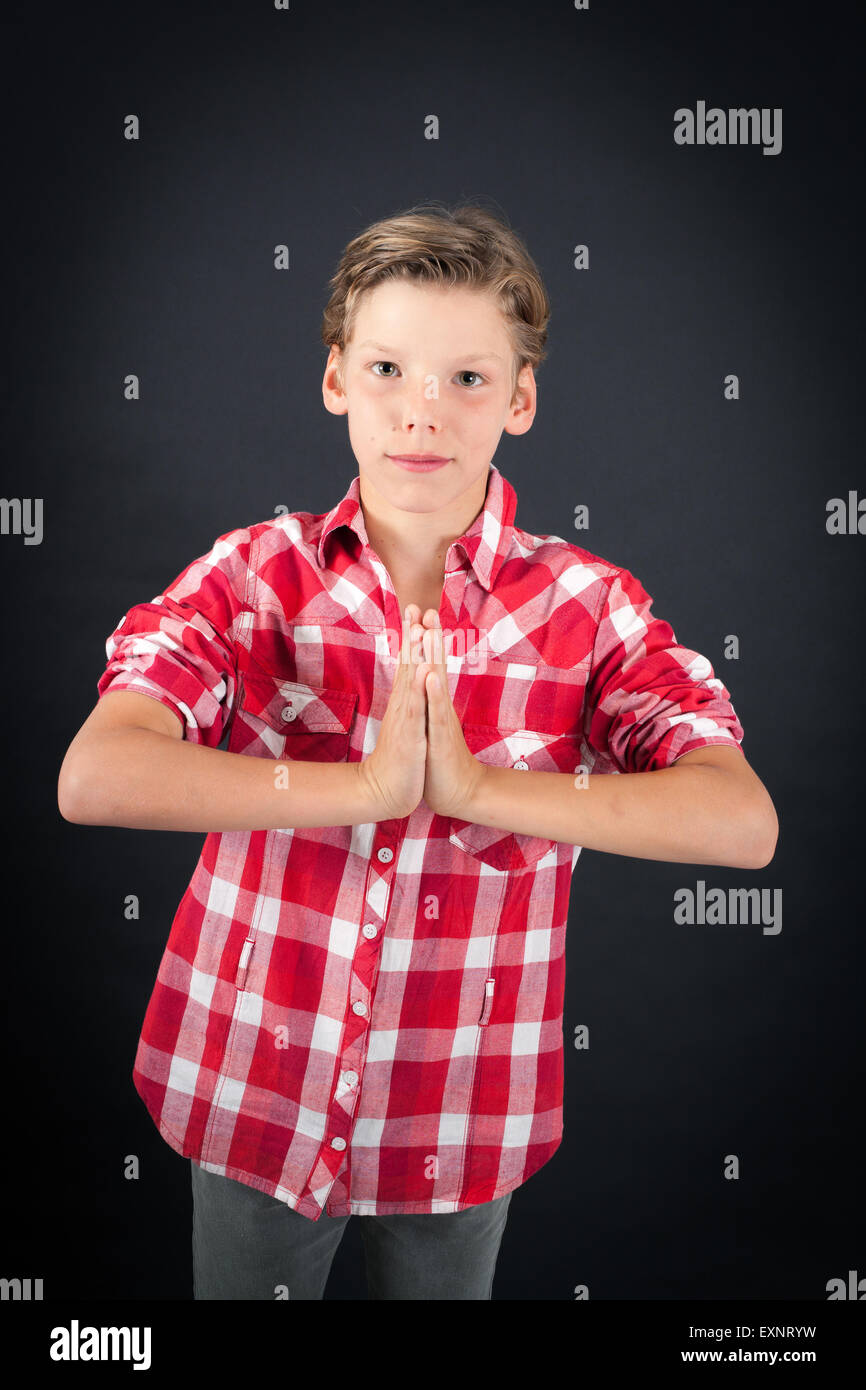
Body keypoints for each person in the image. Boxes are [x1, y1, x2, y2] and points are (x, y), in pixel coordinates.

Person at [57, 200, 778, 1300]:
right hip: (254, 1090)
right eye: (388, 368)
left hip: (462, 1108)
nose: (421, 414)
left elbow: (739, 822)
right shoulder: (252, 577)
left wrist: (479, 787)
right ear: (337, 378)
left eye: (467, 379)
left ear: (520, 398)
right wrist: (367, 785)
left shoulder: (586, 606)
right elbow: (95, 776)